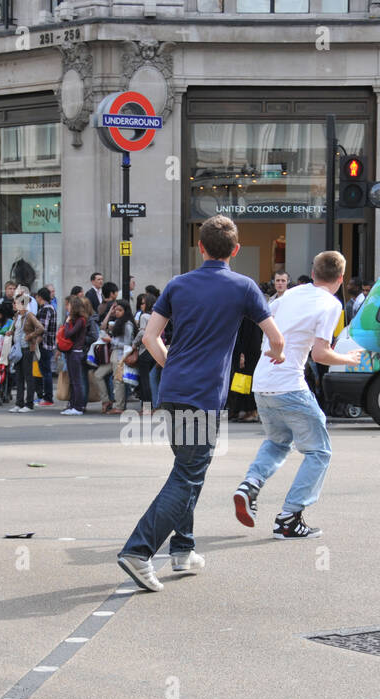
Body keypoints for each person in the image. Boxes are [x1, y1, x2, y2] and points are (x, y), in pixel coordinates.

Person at [116, 214, 285, 592]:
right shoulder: (244, 288)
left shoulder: (177, 284)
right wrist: (276, 355)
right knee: (188, 473)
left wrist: (170, 365)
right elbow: (275, 338)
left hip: (173, 390)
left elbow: (150, 338)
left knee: (188, 466)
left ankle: (183, 549)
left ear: (202, 248)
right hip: (204, 395)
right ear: (236, 250)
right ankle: (138, 551)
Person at [233, 250, 363, 540]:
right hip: (290, 384)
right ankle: (290, 518)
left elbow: (265, 326)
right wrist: (349, 360)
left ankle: (250, 484)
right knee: (319, 451)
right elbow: (320, 354)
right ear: (340, 279)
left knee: (278, 442)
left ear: (313, 272)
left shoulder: (287, 296)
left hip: (262, 382)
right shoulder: (331, 304)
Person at [9, 293, 44, 412]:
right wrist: (11, 333)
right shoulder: (17, 316)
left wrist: (30, 336)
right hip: (18, 349)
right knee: (19, 376)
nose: (14, 305)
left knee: (28, 376)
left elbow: (41, 328)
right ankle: (19, 403)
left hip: (27, 349)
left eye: (16, 303)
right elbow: (17, 330)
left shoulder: (29, 316)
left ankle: (29, 404)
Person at [60, 295, 89, 415]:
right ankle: (72, 405)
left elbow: (68, 334)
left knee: (77, 381)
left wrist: (67, 323)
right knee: (72, 380)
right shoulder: (76, 320)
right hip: (71, 352)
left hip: (76, 352)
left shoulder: (81, 320)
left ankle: (78, 407)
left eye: (69, 305)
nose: (67, 307)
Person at [33, 287, 57, 407]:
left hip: (44, 345)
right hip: (50, 344)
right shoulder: (51, 308)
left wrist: (35, 341)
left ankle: (47, 398)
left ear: (40, 297)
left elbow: (42, 329)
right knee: (45, 371)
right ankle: (46, 397)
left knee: (45, 372)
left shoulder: (45, 310)